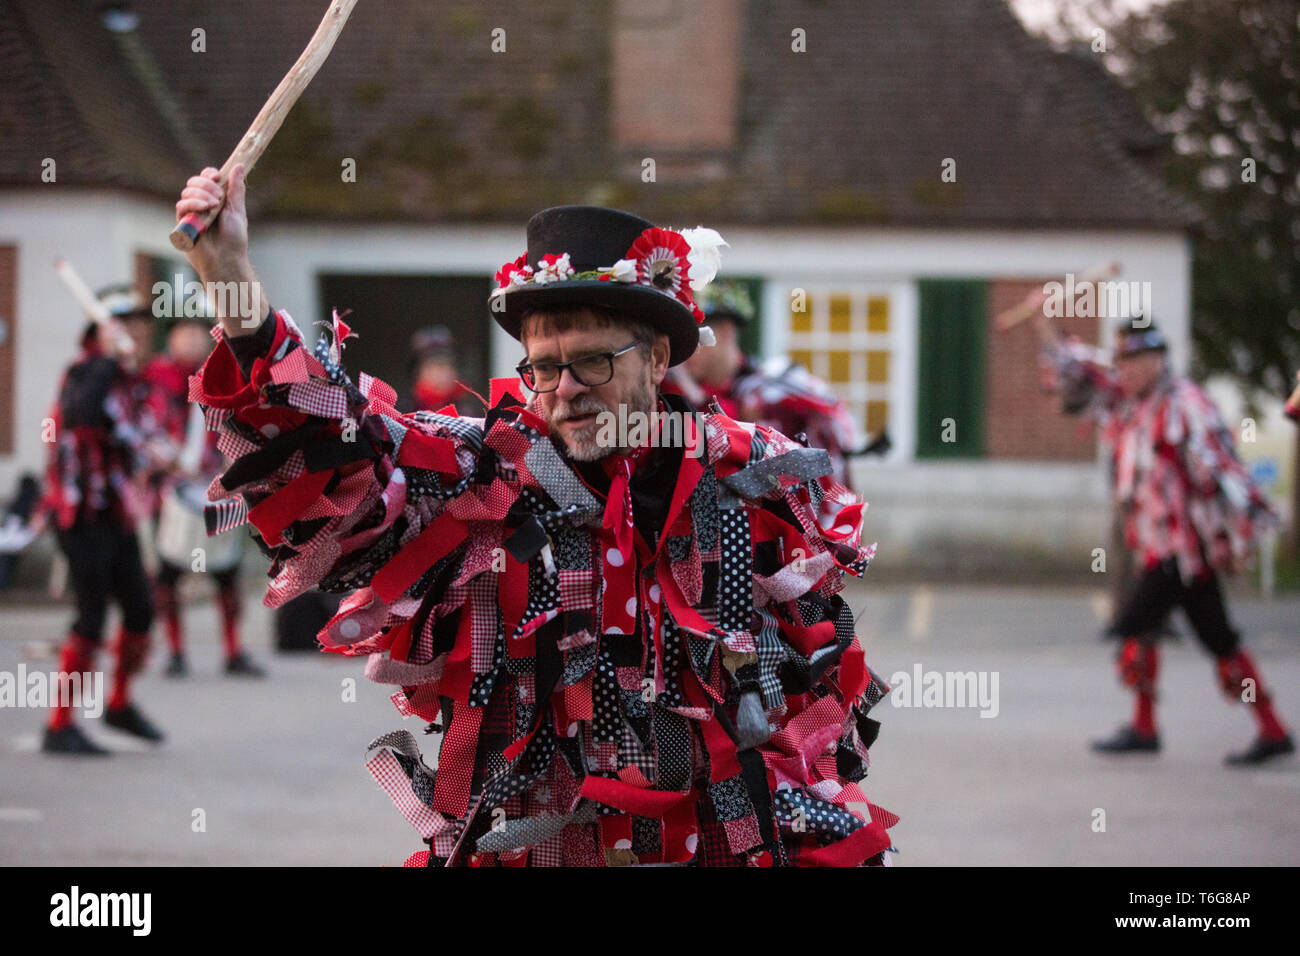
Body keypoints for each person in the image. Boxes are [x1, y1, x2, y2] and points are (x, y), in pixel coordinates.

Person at [175, 164, 898, 866]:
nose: (564, 389)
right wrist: (232, 280)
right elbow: (341, 453)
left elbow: (810, 693)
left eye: (592, 362)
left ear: (656, 360)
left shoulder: (755, 478)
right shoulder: (480, 475)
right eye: (544, 366)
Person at [1037, 315, 1293, 765]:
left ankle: (1147, 726)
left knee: (1134, 626)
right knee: (1217, 639)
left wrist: (1239, 532)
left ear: (1159, 359)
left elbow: (1227, 473)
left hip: (1184, 551)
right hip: (1159, 547)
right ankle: (1267, 729)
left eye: (1137, 360)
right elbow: (1079, 371)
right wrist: (1044, 323)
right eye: (1122, 360)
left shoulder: (1188, 405)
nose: (1127, 369)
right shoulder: (1129, 402)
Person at [41, 290, 169, 755]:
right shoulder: (86, 371)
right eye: (123, 321)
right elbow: (82, 415)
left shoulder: (127, 378)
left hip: (116, 512)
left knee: (139, 609)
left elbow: (135, 433)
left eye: (138, 321)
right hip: (80, 514)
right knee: (91, 616)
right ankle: (59, 726)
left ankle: (118, 703)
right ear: (100, 329)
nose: (135, 329)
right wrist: (107, 361)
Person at [141, 317, 263, 677]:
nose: (193, 339)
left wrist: (234, 465)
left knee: (227, 575)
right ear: (171, 338)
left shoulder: (224, 378)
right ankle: (176, 651)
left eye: (199, 332)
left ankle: (233, 650)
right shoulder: (154, 380)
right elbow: (144, 428)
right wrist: (170, 461)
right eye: (185, 332)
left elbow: (242, 425)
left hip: (217, 486)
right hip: (171, 490)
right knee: (167, 578)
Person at [667, 281, 863, 501]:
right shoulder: (673, 394)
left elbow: (826, 456)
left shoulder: (774, 392)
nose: (683, 352)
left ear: (725, 332)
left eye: (696, 339)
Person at [404, 326, 478, 416]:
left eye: (450, 365)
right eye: (435, 366)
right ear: (417, 372)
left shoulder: (472, 410)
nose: (445, 374)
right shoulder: (402, 411)